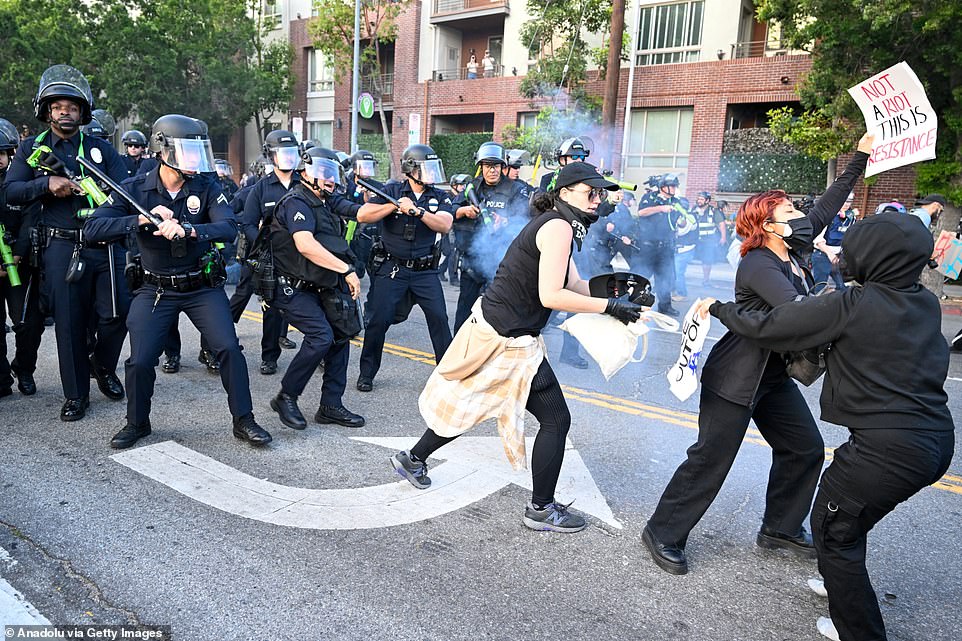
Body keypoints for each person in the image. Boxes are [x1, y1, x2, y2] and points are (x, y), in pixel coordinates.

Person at [697, 211, 954, 641]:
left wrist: (719, 308)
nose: (843, 256)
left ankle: (856, 629)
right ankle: (840, 583)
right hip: (935, 441)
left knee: (833, 530)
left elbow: (771, 326)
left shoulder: (852, 305)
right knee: (852, 518)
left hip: (885, 451)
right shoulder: (924, 302)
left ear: (873, 256)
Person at [641, 133, 875, 576]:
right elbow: (795, 312)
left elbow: (827, 207)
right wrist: (849, 306)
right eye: (789, 211)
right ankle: (662, 531)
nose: (801, 216)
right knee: (711, 460)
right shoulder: (758, 264)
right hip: (736, 378)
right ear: (768, 225)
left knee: (805, 448)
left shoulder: (793, 250)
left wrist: (860, 156)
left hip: (771, 379)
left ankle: (779, 528)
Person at [390, 162, 642, 532]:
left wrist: (618, 294)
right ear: (565, 192)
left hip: (501, 330)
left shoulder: (559, 224)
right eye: (591, 191)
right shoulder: (557, 227)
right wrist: (609, 307)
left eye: (600, 192)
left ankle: (413, 459)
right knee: (556, 419)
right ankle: (541, 509)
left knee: (472, 403)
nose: (597, 199)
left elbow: (574, 284)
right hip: (509, 338)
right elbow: (551, 295)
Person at [84, 113, 272, 449]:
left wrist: (189, 229)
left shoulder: (207, 186)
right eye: (188, 152)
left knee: (229, 348)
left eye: (198, 152)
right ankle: (137, 422)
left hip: (201, 287)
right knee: (141, 360)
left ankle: (244, 419)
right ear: (162, 150)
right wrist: (141, 220)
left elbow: (229, 227)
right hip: (155, 288)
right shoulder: (135, 188)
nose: (195, 161)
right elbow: (93, 228)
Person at [5, 64, 129, 421]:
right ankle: (76, 395)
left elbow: (126, 190)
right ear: (47, 111)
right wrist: (46, 185)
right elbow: (10, 191)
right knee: (69, 323)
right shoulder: (32, 148)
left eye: (72, 107)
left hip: (104, 244)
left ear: (82, 113)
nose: (65, 112)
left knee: (117, 313)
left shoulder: (101, 149)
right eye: (58, 107)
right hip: (60, 246)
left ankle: (102, 365)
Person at [267, 147, 395, 430]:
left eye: (332, 173)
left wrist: (396, 205)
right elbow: (305, 244)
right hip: (293, 288)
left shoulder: (326, 200)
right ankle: (286, 396)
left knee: (340, 334)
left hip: (321, 285)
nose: (330, 179)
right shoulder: (296, 202)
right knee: (320, 336)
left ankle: (330, 406)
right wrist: (346, 270)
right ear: (305, 172)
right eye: (323, 173)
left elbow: (361, 213)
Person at [355, 144, 454, 392]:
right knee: (377, 321)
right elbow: (363, 215)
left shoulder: (440, 196)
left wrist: (417, 212)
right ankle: (366, 373)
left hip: (425, 271)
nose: (430, 174)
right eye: (425, 168)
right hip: (393, 269)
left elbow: (444, 225)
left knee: (440, 319)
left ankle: (448, 376)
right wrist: (394, 205)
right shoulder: (391, 190)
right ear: (411, 169)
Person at [231, 130, 302, 376]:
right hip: (270, 258)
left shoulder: (304, 184)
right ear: (271, 156)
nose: (288, 158)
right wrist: (263, 244)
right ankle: (269, 356)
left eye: (292, 153)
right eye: (283, 153)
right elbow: (248, 224)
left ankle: (322, 352)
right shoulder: (261, 188)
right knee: (271, 310)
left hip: (302, 257)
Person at [452, 141, 531, 332]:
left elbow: (525, 220)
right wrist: (464, 211)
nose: (492, 170)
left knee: (497, 313)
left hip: (500, 263)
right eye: (487, 166)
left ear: (503, 167)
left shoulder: (515, 189)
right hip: (471, 262)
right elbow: (451, 210)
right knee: (464, 312)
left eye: (496, 166)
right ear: (481, 167)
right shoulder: (472, 187)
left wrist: (506, 222)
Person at [0, 117, 44, 398]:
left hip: (20, 264)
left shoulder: (20, 183)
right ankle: (2, 378)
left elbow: (31, 220)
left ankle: (24, 369)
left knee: (28, 324)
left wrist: (16, 256)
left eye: (1, 153)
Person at [628, 173, 685, 317]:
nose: (674, 189)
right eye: (672, 186)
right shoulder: (650, 197)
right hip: (647, 247)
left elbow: (681, 223)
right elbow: (641, 212)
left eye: (675, 186)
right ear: (663, 187)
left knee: (665, 278)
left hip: (665, 248)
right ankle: (631, 304)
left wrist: (683, 219)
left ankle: (665, 306)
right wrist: (661, 208)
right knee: (640, 276)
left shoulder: (676, 201)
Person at [812, 200, 854, 294]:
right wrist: (830, 254)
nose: (846, 204)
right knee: (820, 287)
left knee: (842, 286)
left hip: (838, 255)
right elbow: (818, 239)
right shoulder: (827, 216)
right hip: (822, 255)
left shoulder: (850, 217)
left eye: (849, 201)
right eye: (844, 201)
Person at [692, 191, 726, 287]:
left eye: (701, 199)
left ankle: (705, 280)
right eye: (698, 199)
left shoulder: (714, 211)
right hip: (694, 238)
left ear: (707, 201)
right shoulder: (694, 209)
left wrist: (723, 237)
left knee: (707, 260)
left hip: (708, 240)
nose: (699, 201)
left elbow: (721, 224)